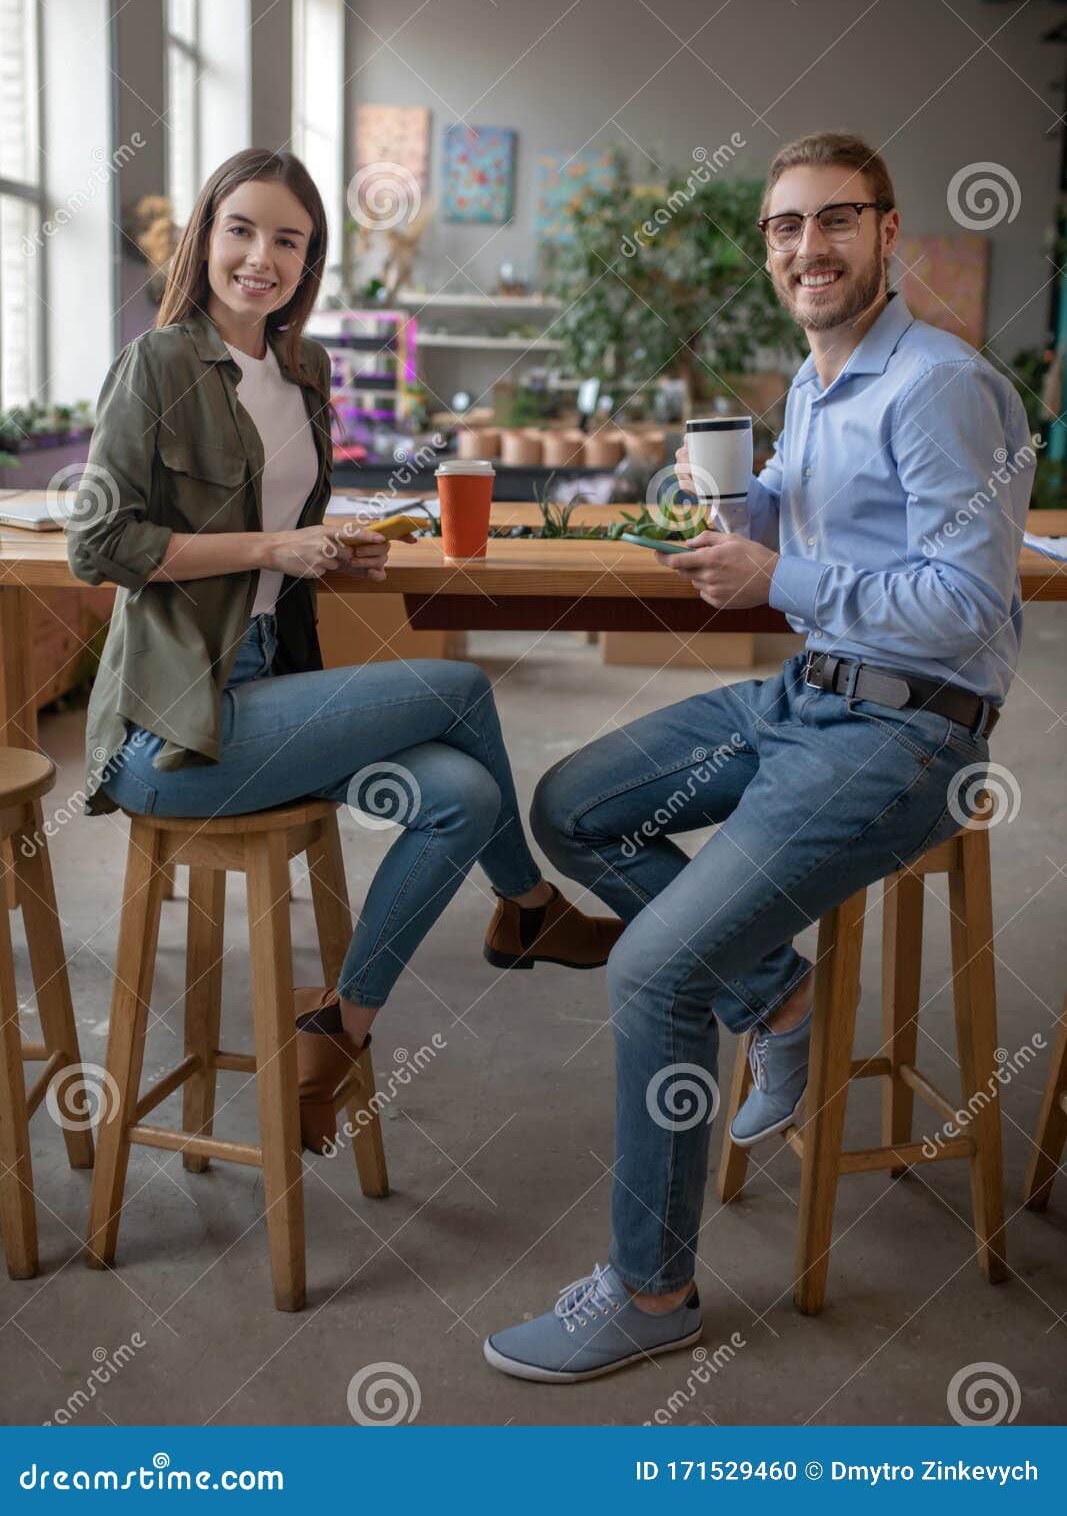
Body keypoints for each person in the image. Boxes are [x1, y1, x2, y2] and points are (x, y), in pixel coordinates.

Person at [484, 130, 1033, 1383]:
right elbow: (789, 502)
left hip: (907, 732)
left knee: (651, 975)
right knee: (574, 808)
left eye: (833, 221)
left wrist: (776, 572)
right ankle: (775, 997)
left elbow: (963, 603)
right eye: (785, 227)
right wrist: (732, 504)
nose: (806, 247)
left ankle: (649, 1290)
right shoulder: (816, 380)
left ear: (887, 234)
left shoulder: (937, 386)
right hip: (805, 695)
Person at [68, 147, 620, 1154]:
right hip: (179, 729)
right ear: (207, 234)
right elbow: (98, 543)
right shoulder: (156, 366)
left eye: (289, 239)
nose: (260, 257)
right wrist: (272, 546)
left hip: (273, 686)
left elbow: (281, 542)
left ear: (309, 259)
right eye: (242, 229)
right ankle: (528, 904)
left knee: (466, 793)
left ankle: (337, 1026)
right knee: (458, 687)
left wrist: (321, 553)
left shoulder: (303, 372)